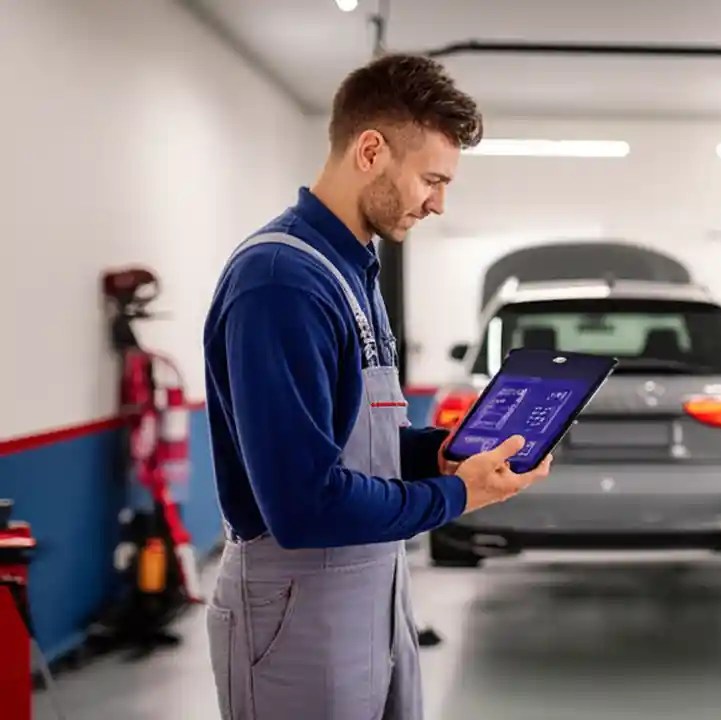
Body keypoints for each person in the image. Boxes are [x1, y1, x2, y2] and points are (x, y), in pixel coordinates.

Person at [201, 53, 550, 719]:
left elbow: (358, 441)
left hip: (374, 587)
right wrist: (458, 494)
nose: (438, 203)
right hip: (297, 606)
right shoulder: (279, 282)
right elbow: (302, 506)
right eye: (432, 179)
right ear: (370, 151)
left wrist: (440, 453)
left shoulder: (352, 271)